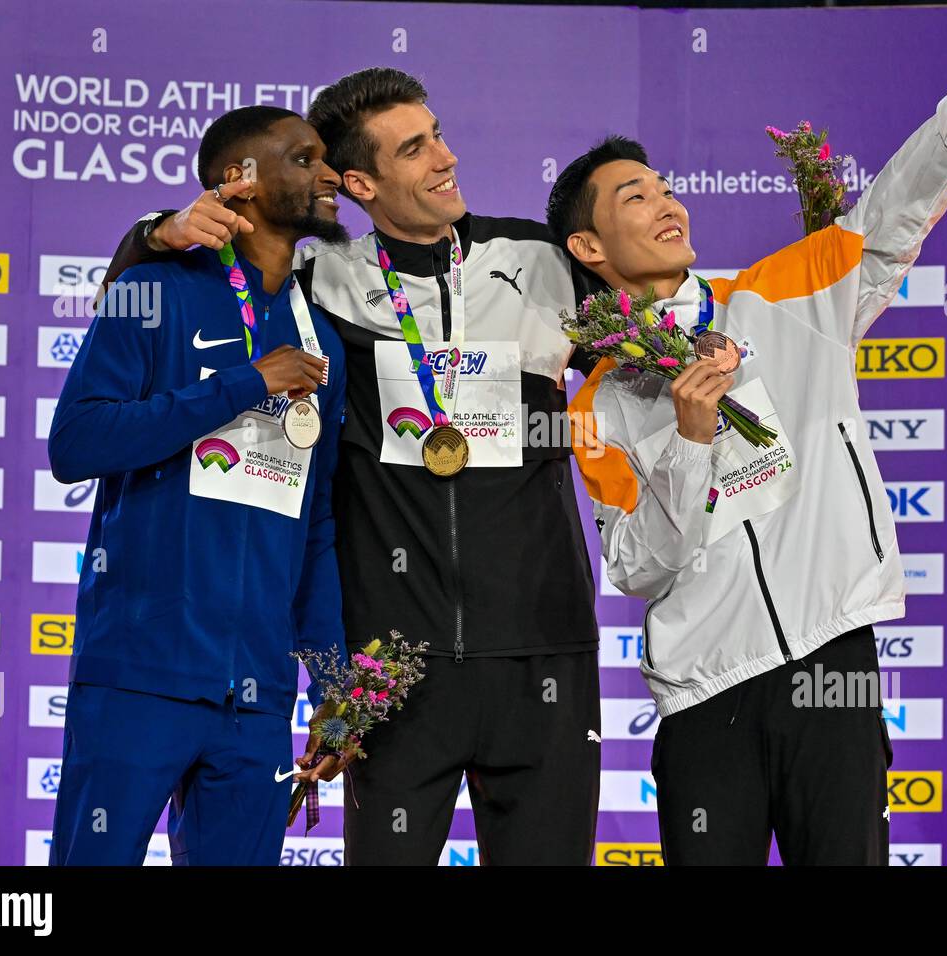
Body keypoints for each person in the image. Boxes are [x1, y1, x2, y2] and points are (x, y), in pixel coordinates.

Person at [98, 69, 602, 865]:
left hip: (543, 652)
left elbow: (655, 311)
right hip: (394, 671)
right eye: (416, 147)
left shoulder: (539, 257)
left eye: (436, 132)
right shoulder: (316, 284)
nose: (446, 156)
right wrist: (154, 230)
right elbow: (144, 301)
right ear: (361, 181)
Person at [552, 60, 947, 865]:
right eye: (634, 197)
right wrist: (689, 443)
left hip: (831, 664)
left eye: (664, 187)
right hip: (705, 693)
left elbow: (887, 221)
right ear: (588, 245)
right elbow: (638, 568)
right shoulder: (598, 401)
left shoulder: (783, 294)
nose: (666, 203)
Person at [48, 106, 351, 865]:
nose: (329, 174)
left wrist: (333, 689)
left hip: (256, 698)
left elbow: (315, 529)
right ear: (238, 182)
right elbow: (76, 443)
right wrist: (243, 383)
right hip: (139, 676)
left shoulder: (324, 342)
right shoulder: (153, 288)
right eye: (303, 158)